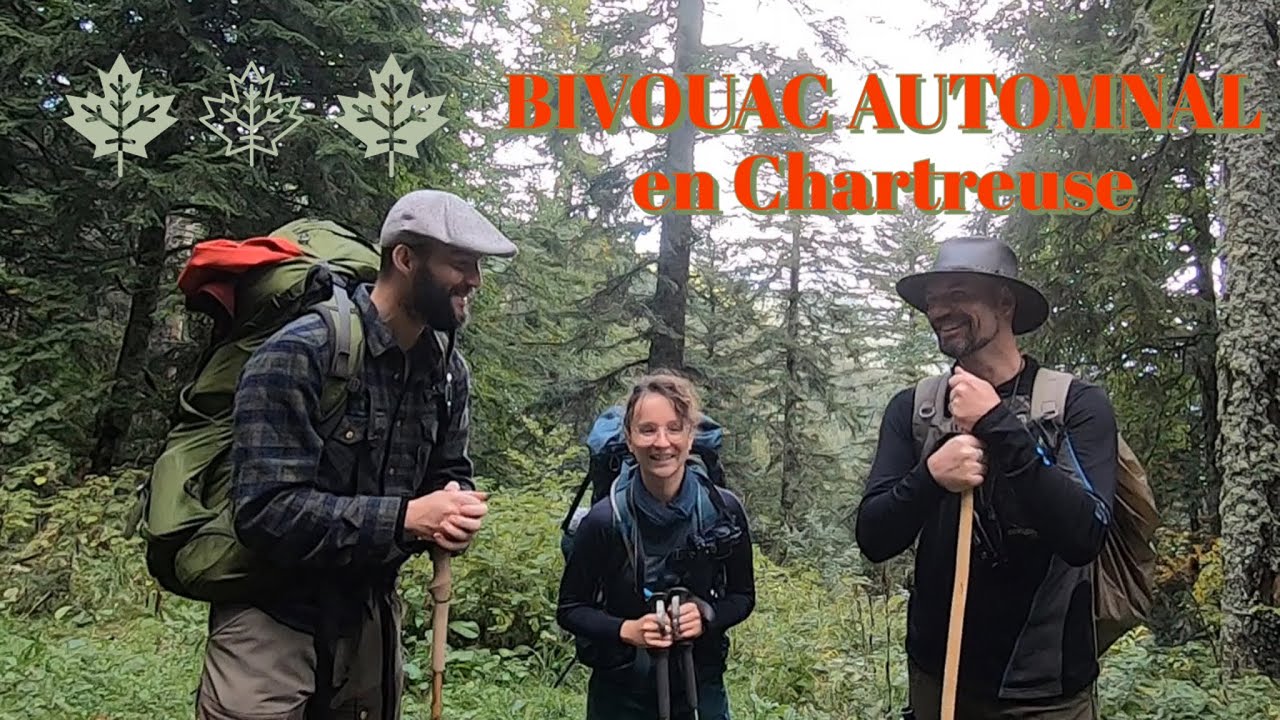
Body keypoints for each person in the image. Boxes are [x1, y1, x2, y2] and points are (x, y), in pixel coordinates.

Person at [195, 189, 517, 720]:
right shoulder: (300, 352)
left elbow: (449, 471)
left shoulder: (448, 373)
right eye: (460, 264)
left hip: (370, 617)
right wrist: (407, 518)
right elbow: (264, 510)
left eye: (478, 266)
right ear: (406, 259)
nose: (475, 281)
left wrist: (454, 509)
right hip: (271, 615)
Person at [854, 236, 1118, 720]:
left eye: (957, 294)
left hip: (1047, 695)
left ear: (1005, 302)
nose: (939, 310)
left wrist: (997, 424)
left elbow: (1085, 534)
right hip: (940, 684)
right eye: (933, 300)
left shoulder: (1077, 406)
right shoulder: (915, 409)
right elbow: (873, 536)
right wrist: (932, 476)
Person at [557, 372, 756, 720]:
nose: (661, 442)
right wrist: (627, 631)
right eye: (647, 429)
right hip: (619, 688)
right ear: (630, 440)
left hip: (700, 682)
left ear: (690, 437)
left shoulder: (722, 510)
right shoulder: (605, 521)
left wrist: (707, 616)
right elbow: (571, 608)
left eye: (674, 428)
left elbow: (742, 596)